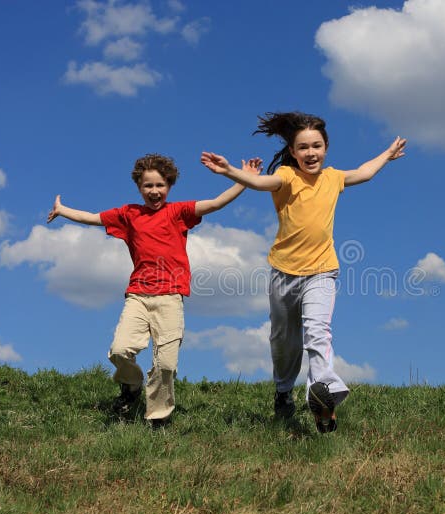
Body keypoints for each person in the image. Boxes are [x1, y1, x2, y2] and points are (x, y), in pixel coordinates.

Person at [201, 112, 406, 433]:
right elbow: (259, 182)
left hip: (322, 271)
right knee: (284, 341)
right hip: (283, 273)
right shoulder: (287, 176)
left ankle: (323, 390)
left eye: (317, 146)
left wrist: (387, 155)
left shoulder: (333, 178)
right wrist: (230, 171)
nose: (311, 153)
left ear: (326, 148)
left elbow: (364, 173)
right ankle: (283, 393)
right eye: (304, 148)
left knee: (317, 332)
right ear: (293, 152)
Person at [47, 153, 261, 428]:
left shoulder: (178, 212)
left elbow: (216, 203)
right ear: (139, 187)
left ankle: (158, 418)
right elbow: (92, 218)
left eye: (160, 185)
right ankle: (132, 385)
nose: (154, 191)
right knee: (119, 350)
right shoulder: (129, 214)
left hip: (171, 297)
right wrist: (63, 211)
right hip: (138, 295)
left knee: (166, 365)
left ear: (169, 186)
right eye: (148, 186)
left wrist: (245, 180)